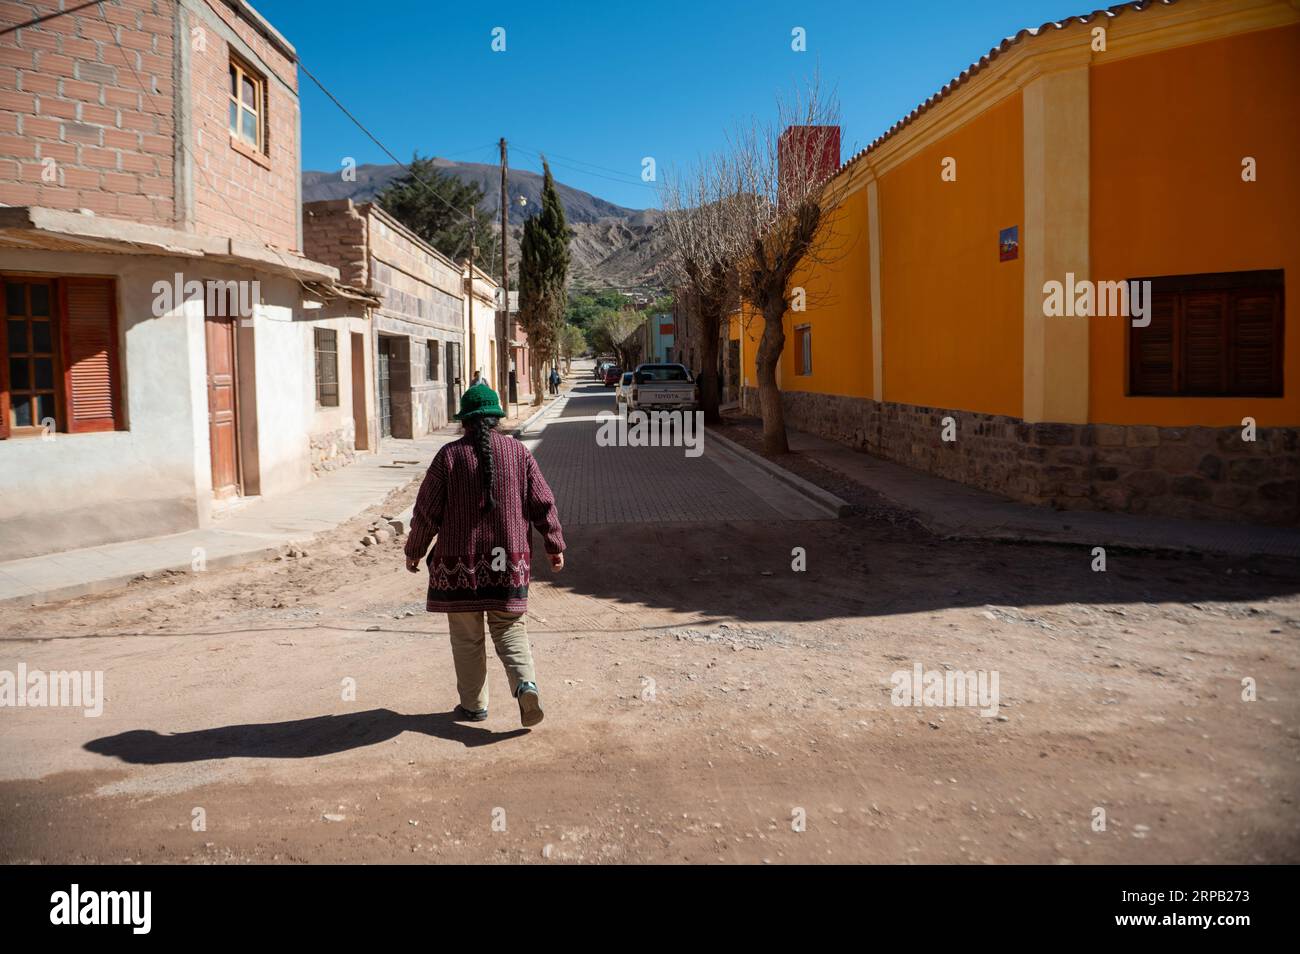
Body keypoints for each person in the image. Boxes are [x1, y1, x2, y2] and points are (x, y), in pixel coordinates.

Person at [404, 383, 566, 727]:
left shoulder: (448, 456)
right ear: (496, 419)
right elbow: (543, 502)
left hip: (457, 567)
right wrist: (554, 544)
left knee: (467, 638)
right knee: (510, 629)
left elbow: (426, 512)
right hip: (509, 563)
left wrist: (415, 550)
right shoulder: (519, 453)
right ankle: (525, 685)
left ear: (466, 422)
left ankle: (474, 706)